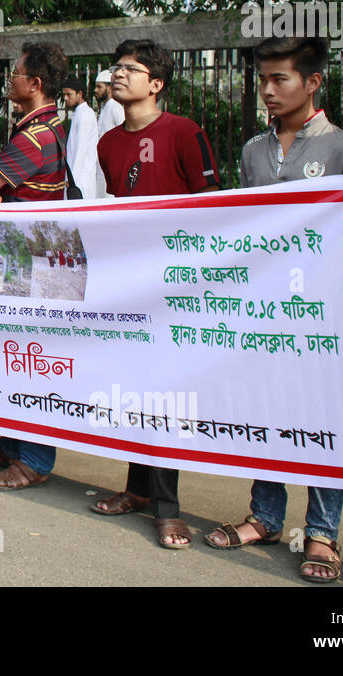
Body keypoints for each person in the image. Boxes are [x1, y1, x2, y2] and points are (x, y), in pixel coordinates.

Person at [203, 34, 343, 582]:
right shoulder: (252, 149)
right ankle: (265, 516)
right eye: (264, 80)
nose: (268, 91)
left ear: (313, 82)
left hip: (322, 311)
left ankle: (322, 533)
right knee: (268, 408)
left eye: (281, 80)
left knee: (324, 415)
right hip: (264, 308)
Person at [90, 39, 221, 549]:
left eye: (131, 69)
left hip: (179, 284)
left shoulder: (186, 132)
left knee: (167, 393)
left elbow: (212, 205)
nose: (119, 75)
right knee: (135, 386)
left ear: (157, 83)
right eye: (116, 67)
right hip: (130, 284)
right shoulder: (107, 142)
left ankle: (168, 507)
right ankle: (136, 489)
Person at [0, 43, 73, 489]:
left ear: (35, 84)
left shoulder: (35, 137)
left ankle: (32, 460)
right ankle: (11, 446)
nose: (10, 80)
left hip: (33, 265)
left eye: (16, 74)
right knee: (14, 358)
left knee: (31, 363)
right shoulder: (43, 128)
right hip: (28, 261)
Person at [61, 76, 100, 200]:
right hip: (75, 177)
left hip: (81, 179)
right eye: (64, 95)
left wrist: (73, 179)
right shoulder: (79, 113)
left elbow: (81, 150)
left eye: (69, 94)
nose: (65, 98)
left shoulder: (86, 114)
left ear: (80, 94)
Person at [94, 69, 124, 139]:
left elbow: (124, 134)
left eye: (99, 87)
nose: (95, 90)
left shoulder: (116, 107)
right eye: (96, 87)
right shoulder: (104, 107)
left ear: (110, 88)